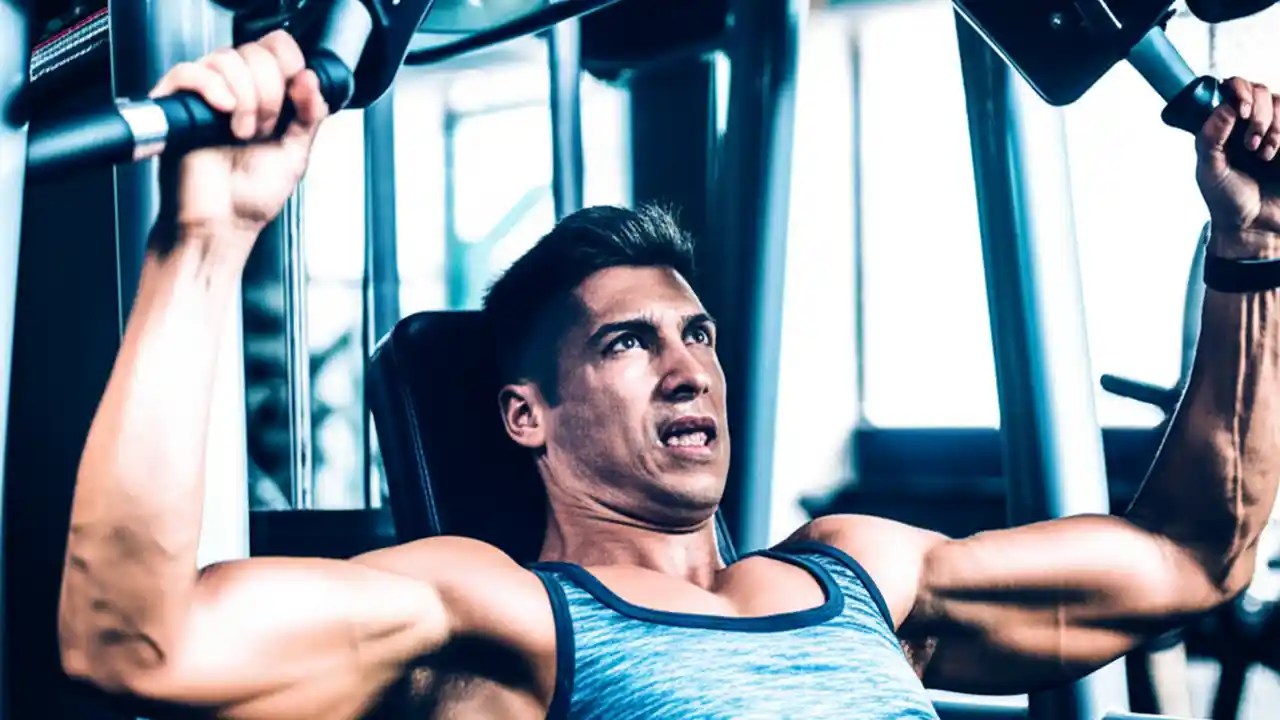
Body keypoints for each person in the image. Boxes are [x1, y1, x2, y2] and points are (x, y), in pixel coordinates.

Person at [57, 30, 1280, 720]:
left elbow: (1188, 557)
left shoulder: (863, 574)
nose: (688, 366)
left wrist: (1251, 250)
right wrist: (204, 241)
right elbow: (138, 645)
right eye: (628, 342)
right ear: (522, 416)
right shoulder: (501, 615)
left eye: (695, 335)